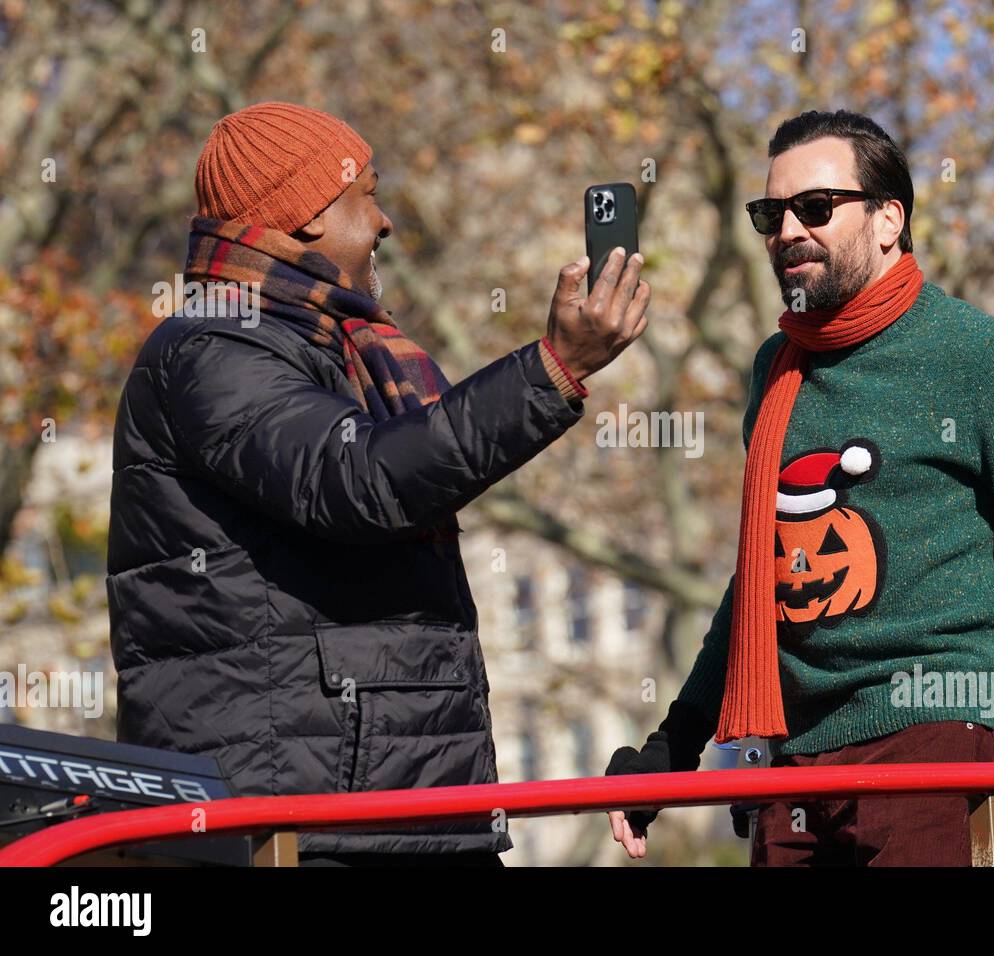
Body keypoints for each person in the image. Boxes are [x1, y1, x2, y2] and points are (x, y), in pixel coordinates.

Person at [106, 101, 649, 866]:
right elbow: (358, 478)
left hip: (391, 801)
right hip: (304, 821)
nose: (385, 220)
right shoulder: (208, 349)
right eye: (366, 192)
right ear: (302, 218)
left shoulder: (324, 346)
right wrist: (553, 369)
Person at [605, 109, 994, 866]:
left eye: (816, 208)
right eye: (771, 213)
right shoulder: (776, 369)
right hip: (787, 758)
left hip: (934, 731)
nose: (788, 229)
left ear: (889, 219)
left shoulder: (975, 353)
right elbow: (765, 574)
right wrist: (674, 742)